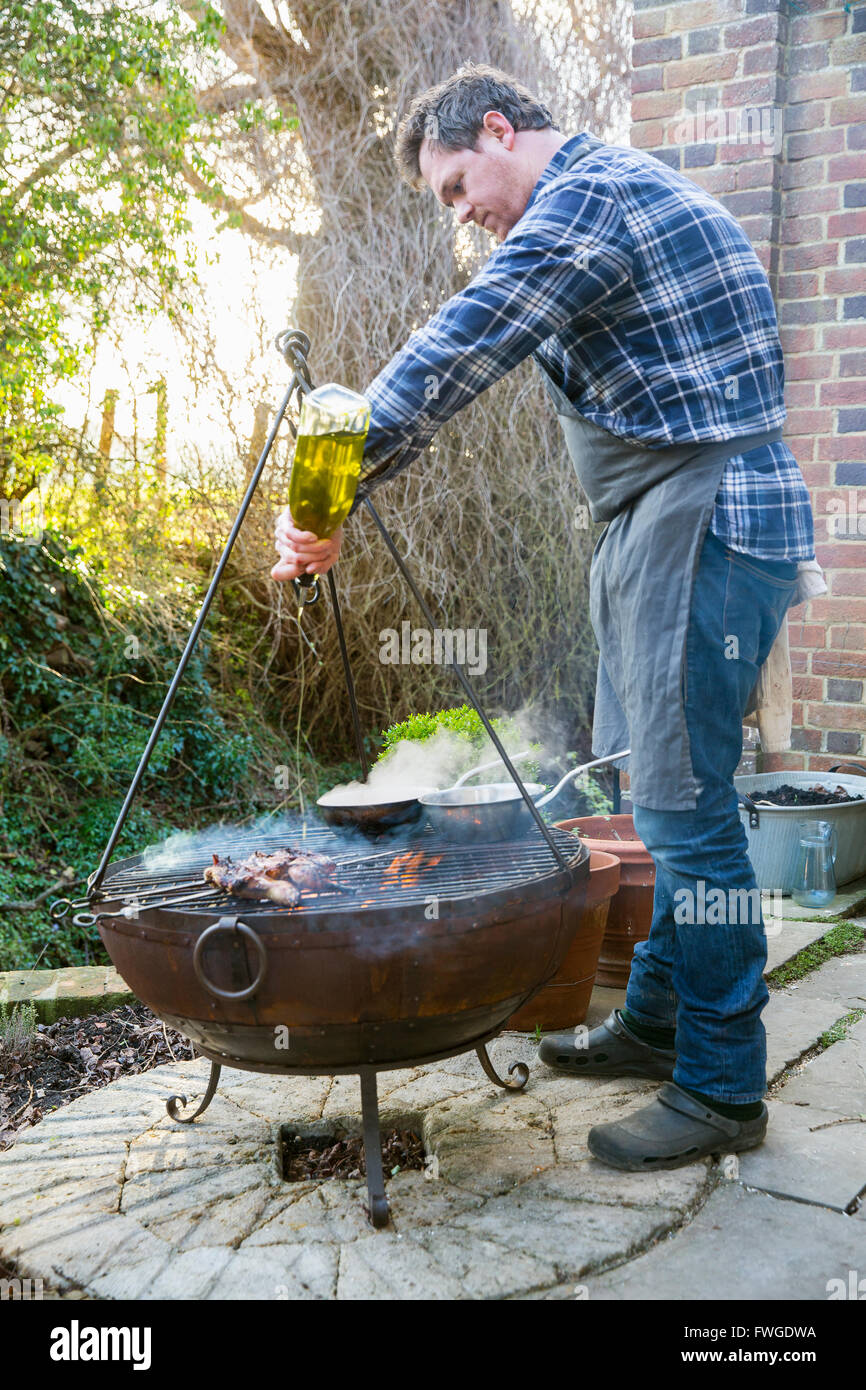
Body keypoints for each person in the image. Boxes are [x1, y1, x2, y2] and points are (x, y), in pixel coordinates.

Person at [271, 64, 820, 1172]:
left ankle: (720, 1084)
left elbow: (472, 334)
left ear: (496, 127)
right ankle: (660, 1021)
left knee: (684, 807)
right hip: (654, 526)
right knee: (641, 786)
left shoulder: (587, 195)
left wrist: (331, 480)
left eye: (455, 186)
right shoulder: (593, 204)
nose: (460, 213)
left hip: (703, 520)